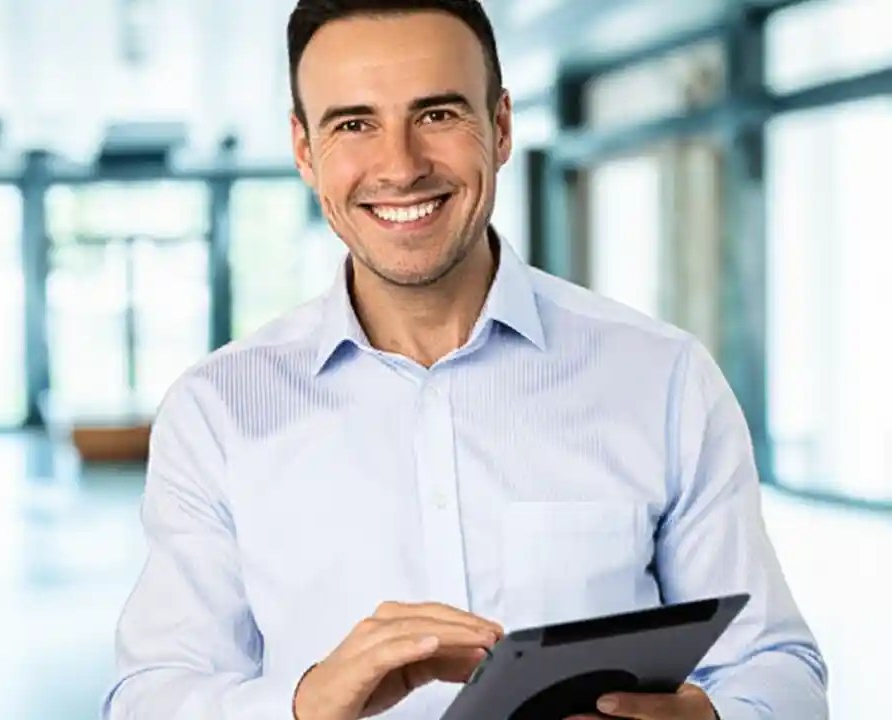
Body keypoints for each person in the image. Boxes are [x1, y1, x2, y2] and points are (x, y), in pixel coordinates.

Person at [101, 1, 828, 718]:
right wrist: (304, 705)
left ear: (501, 126)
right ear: (304, 151)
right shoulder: (217, 411)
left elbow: (778, 670)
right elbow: (149, 698)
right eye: (355, 124)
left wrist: (708, 719)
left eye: (438, 115)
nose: (401, 166)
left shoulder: (663, 378)